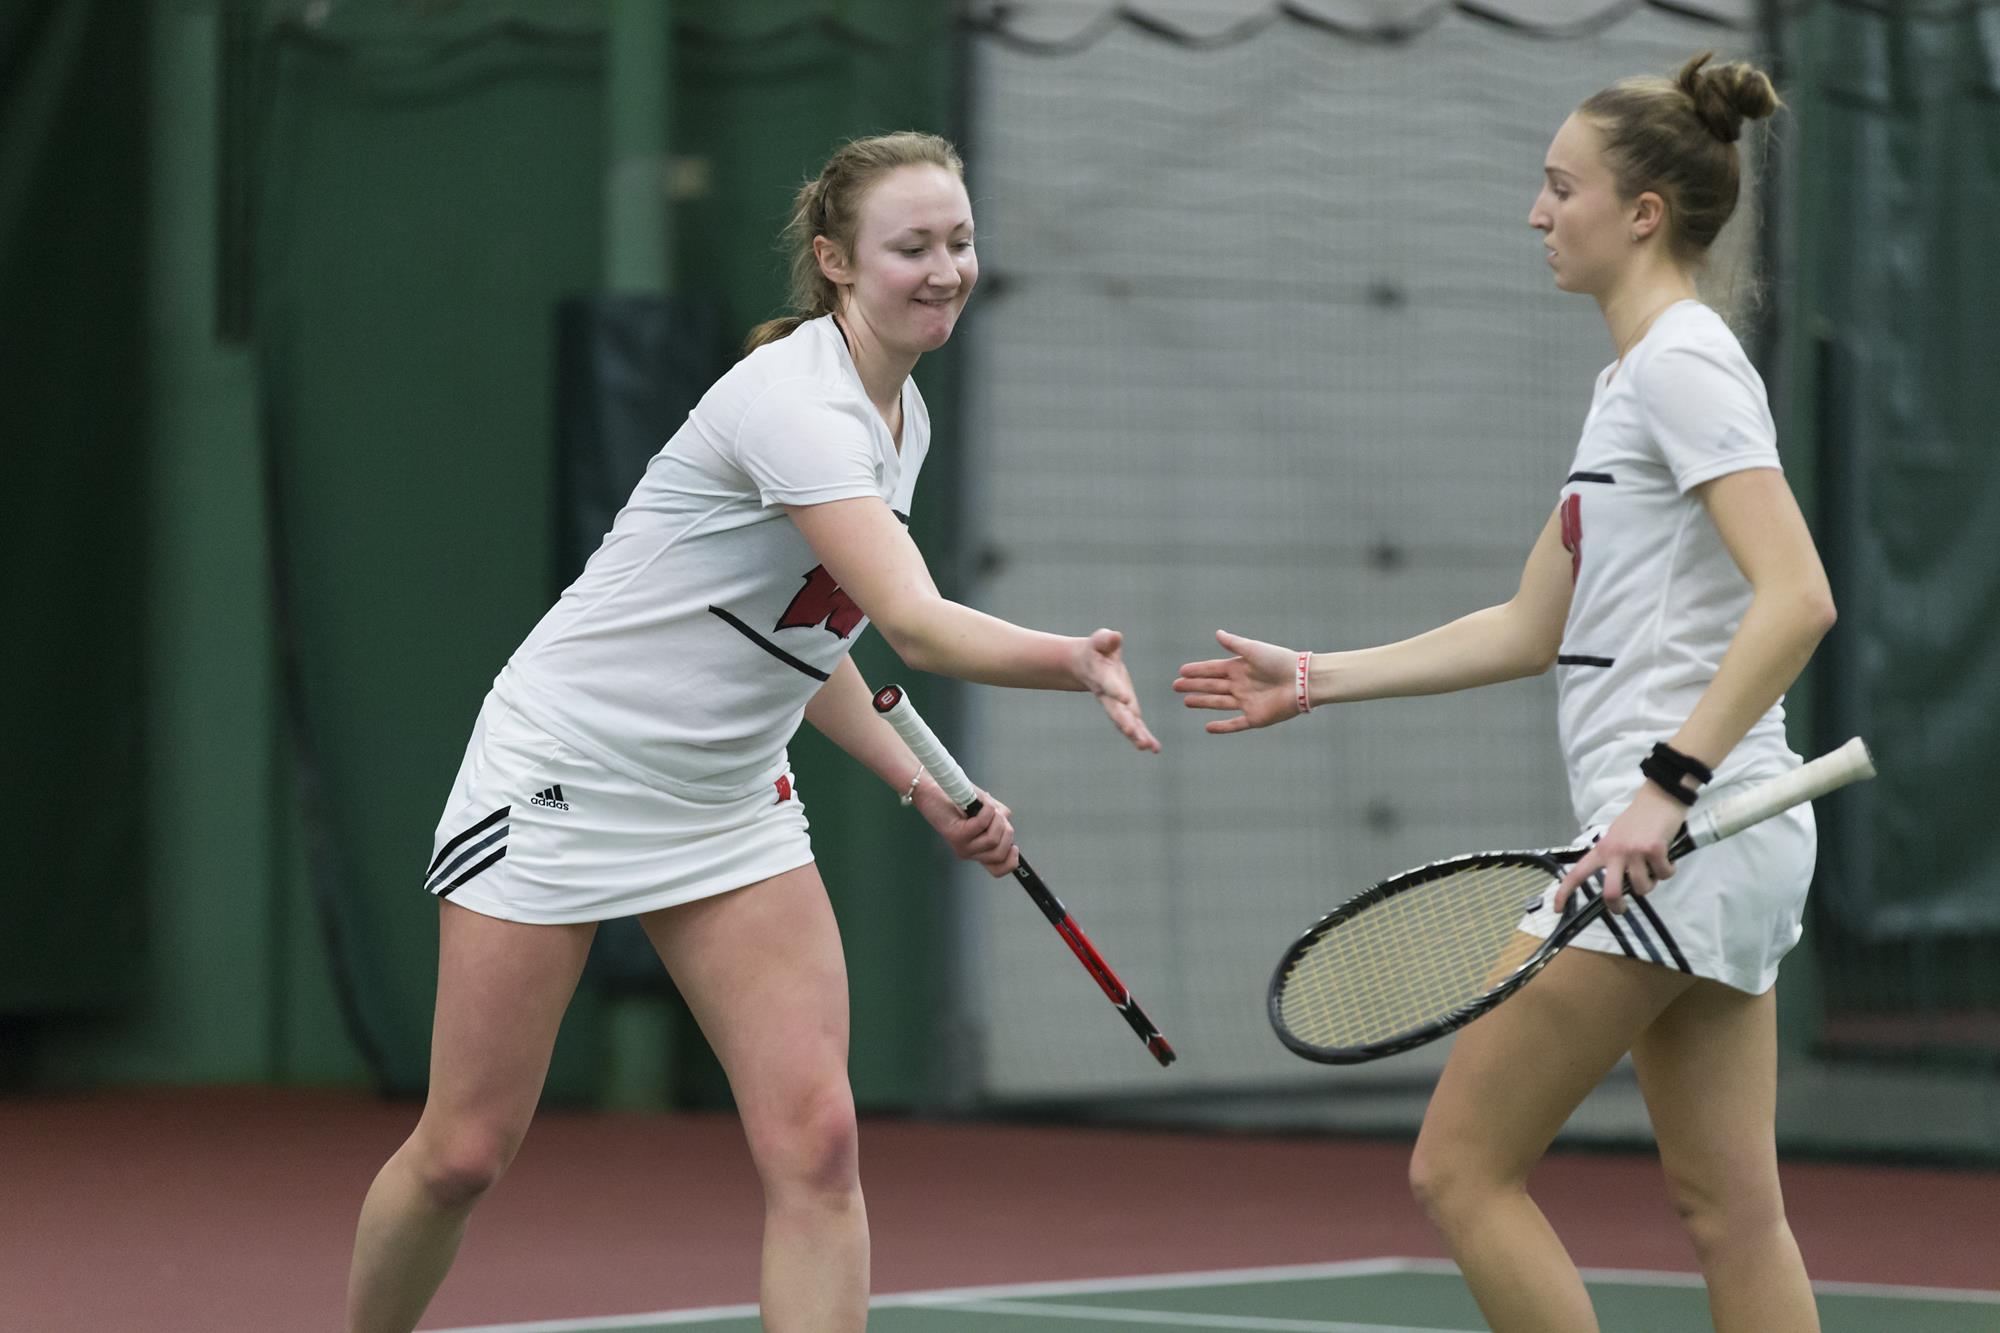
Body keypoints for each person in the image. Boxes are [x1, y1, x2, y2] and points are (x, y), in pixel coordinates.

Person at [345, 131, 1160, 1333]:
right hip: (563, 770)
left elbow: (799, 639)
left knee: (819, 1144)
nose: (943, 270)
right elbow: (916, 627)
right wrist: (1069, 660)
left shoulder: (901, 419)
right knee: (464, 1148)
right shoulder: (790, 404)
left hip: (726, 798)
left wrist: (913, 781)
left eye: (960, 242)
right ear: (833, 260)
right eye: (911, 248)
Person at [1174, 54, 1832, 1333]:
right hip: (1711, 839)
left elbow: (1796, 594)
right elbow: (1533, 626)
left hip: (1677, 836)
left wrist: (1659, 792)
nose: (1537, 213)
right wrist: (1313, 679)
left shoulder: (1681, 365)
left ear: (1640, 212)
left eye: (1559, 186)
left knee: (1459, 1169)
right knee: (1729, 1211)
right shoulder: (1629, 384)